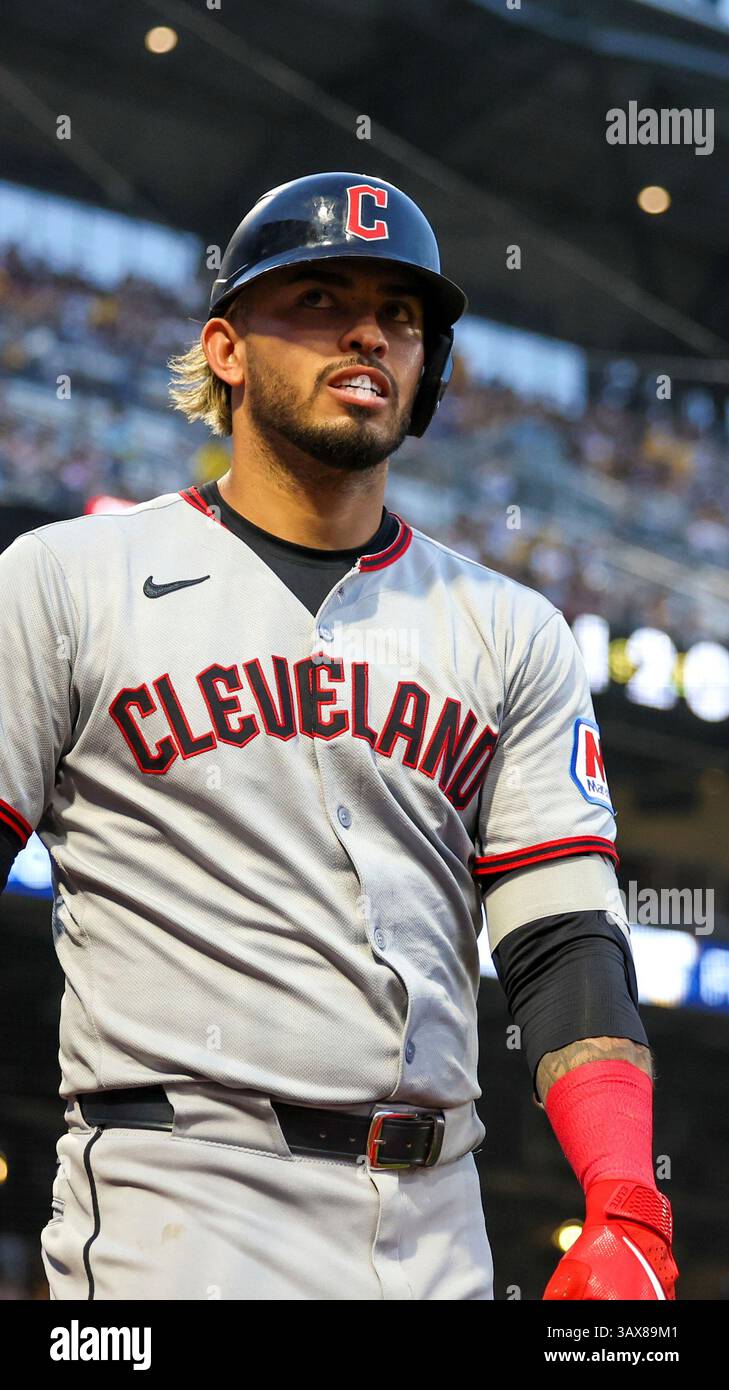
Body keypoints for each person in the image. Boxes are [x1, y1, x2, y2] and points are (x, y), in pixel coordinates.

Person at [0, 172, 677, 1300]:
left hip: (438, 1227)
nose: (368, 329)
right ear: (225, 348)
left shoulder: (512, 631)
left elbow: (563, 941)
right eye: (318, 298)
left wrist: (626, 1198)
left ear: (424, 374)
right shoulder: (68, 579)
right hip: (178, 1205)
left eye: (399, 314)